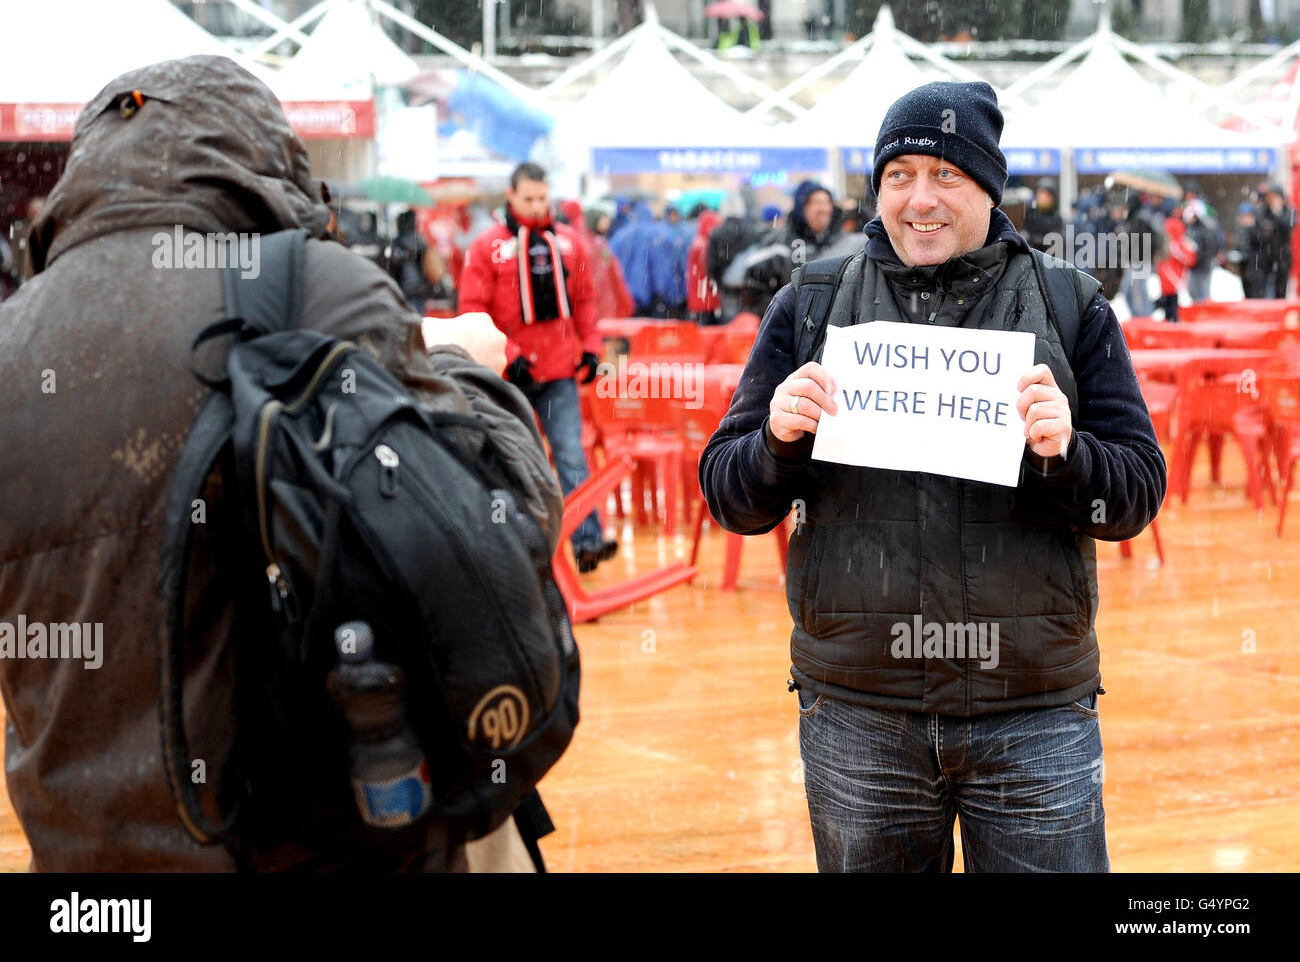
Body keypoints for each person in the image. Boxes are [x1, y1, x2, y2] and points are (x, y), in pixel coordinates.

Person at [0, 55, 562, 872]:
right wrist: (468, 370)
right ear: (261, 153)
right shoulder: (310, 288)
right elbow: (511, 526)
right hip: (332, 839)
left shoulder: (13, 343)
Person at [699, 80, 1166, 873]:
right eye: (898, 175)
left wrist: (1069, 454)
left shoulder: (1069, 304)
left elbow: (1135, 494)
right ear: (876, 189)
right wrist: (775, 440)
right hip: (859, 715)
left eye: (945, 174)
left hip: (1033, 713)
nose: (920, 199)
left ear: (989, 185)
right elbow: (730, 496)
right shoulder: (812, 302)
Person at [459, 162, 617, 573]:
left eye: (541, 198)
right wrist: (509, 354)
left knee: (570, 456)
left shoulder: (568, 242)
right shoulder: (486, 246)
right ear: (510, 197)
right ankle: (515, 550)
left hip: (559, 372)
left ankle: (587, 542)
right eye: (527, 199)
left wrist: (591, 347)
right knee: (511, 461)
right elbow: (473, 311)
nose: (535, 206)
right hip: (508, 375)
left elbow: (584, 300)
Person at [1243, 184, 1295, 299]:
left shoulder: (1289, 212)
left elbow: (1287, 228)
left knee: (1280, 292)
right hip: (1263, 260)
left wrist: (1277, 214)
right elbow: (1257, 233)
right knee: (1260, 293)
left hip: (1282, 259)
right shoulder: (1261, 213)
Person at [1020, 177, 1065, 256]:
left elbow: (1055, 241)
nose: (1042, 198)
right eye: (1040, 195)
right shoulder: (1031, 213)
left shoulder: (1056, 218)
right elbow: (1025, 232)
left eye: (1046, 195)